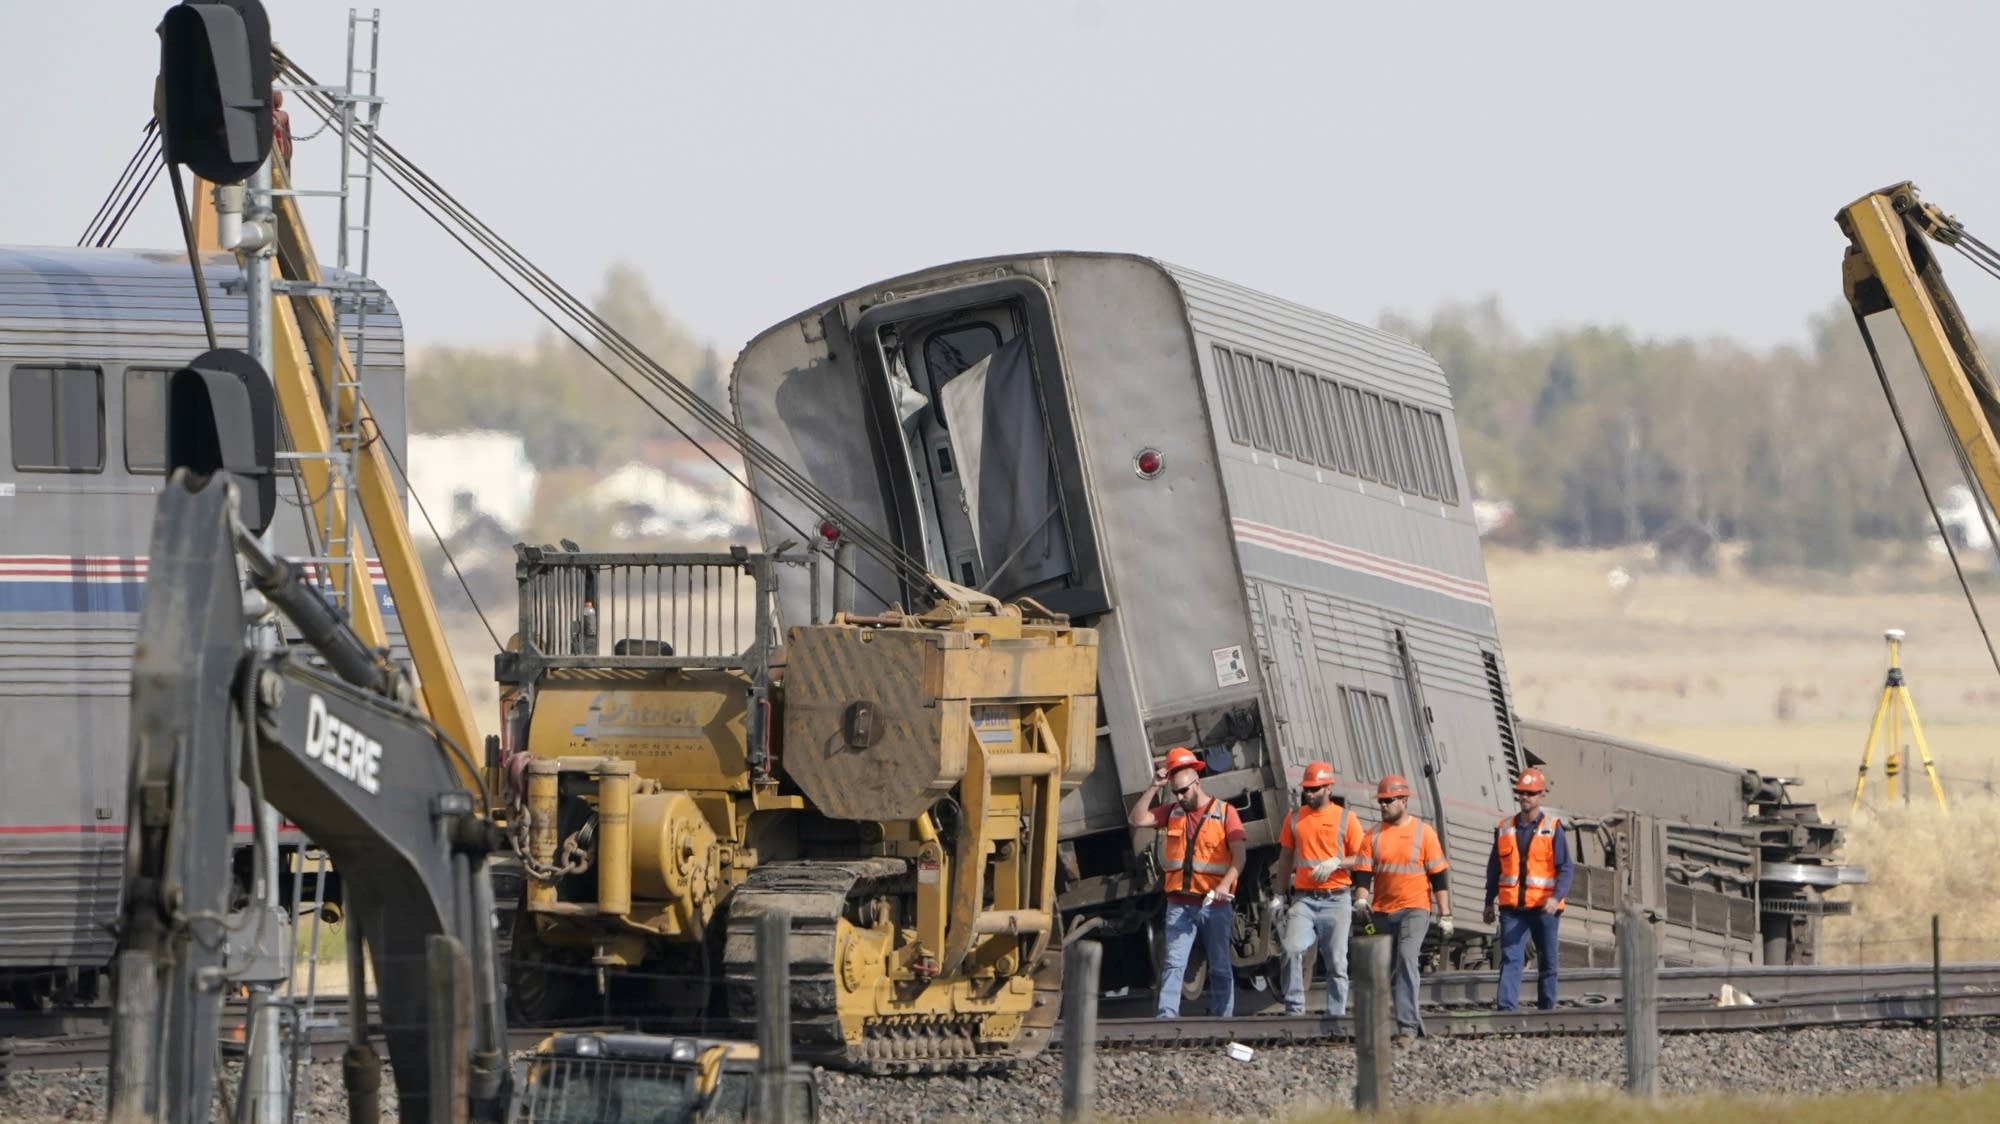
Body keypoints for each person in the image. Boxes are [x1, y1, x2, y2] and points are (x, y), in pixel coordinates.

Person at [1128, 745, 1246, 1018]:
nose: (1180, 797)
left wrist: (1225, 884)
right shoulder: (1172, 812)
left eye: (1184, 791)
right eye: (1176, 792)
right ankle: (1166, 1018)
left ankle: (1222, 1018)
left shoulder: (1225, 812)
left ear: (1197, 782)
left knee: (1219, 965)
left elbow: (1239, 857)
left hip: (1214, 905)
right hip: (1180, 904)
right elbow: (1136, 819)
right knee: (1173, 963)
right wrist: (1154, 786)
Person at [1352, 774, 1450, 1044]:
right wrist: (1361, 900)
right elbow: (1362, 875)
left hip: (1415, 909)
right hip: (1382, 912)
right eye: (1381, 801)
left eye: (1389, 800)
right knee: (1382, 968)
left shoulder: (1424, 833)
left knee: (1407, 958)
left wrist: (1446, 915)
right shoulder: (1372, 835)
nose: (1384, 805)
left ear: (1404, 800)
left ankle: (1406, 1028)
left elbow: (1439, 876)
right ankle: (1402, 1024)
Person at [1273, 760, 1367, 1016]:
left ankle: (1336, 1015)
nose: (1309, 793)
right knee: (1292, 949)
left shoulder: (1346, 819)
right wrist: (1279, 895)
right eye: (1307, 789)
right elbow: (1285, 858)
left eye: (1315, 789)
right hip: (1304, 899)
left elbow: (1363, 857)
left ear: (1328, 788)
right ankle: (1294, 1011)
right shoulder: (1295, 819)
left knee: (1337, 961)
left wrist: (1338, 861)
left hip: (1337, 899)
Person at [1482, 767, 1573, 1011]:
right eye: (1522, 792)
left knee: (1548, 961)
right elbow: (1494, 869)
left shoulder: (1553, 828)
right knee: (1511, 958)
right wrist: (1488, 902)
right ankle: (1506, 1010)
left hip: (1545, 909)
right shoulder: (1504, 828)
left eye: (1530, 793)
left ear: (1541, 796)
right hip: (1513, 908)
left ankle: (1547, 1010)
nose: (1525, 797)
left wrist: (1555, 898)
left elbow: (1566, 868)